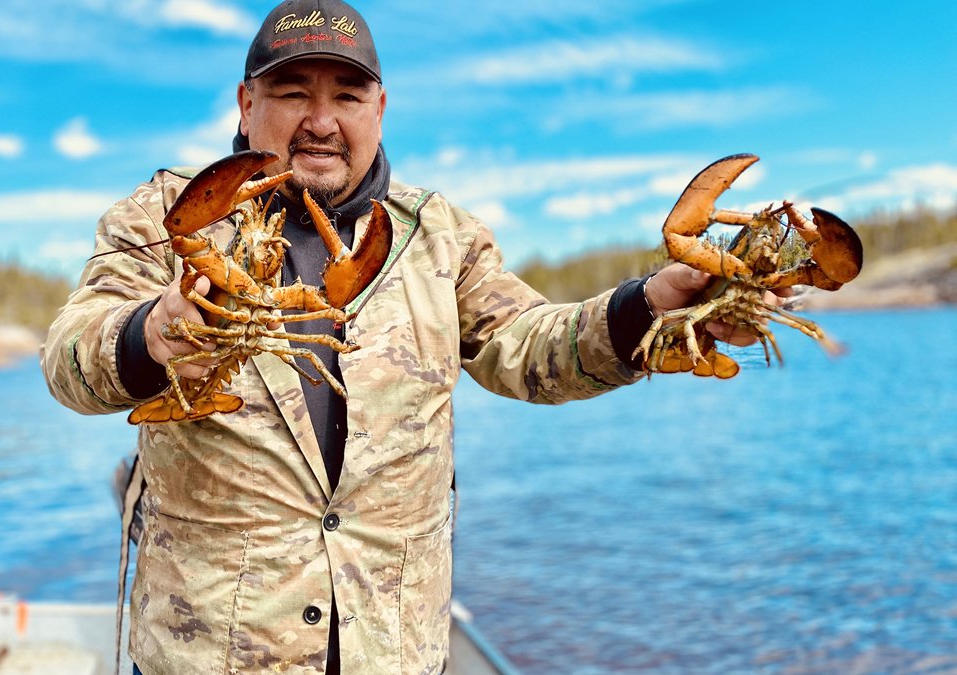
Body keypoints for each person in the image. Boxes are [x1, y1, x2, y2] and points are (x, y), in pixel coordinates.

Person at [41, 1, 787, 673]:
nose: (322, 120)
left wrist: (652, 305)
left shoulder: (440, 235)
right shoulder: (166, 215)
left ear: (381, 108)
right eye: (294, 92)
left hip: (392, 649)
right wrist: (150, 332)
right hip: (208, 652)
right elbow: (70, 356)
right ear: (246, 104)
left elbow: (530, 347)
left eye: (347, 95)